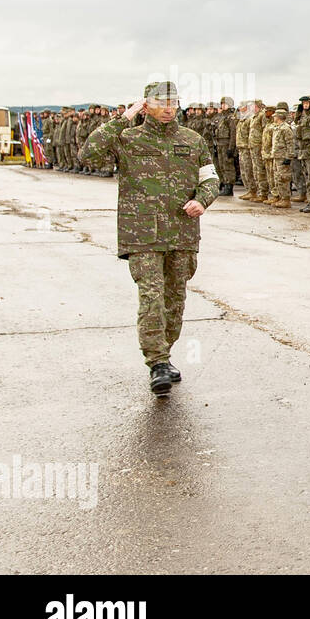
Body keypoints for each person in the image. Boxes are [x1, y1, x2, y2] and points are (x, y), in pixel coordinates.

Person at [79, 81, 220, 395]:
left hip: (182, 233)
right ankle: (157, 362)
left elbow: (210, 177)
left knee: (175, 301)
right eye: (161, 102)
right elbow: (89, 154)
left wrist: (203, 200)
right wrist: (125, 117)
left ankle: (165, 354)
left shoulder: (192, 140)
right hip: (142, 233)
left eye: (174, 102)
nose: (169, 108)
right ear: (147, 105)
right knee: (152, 299)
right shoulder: (128, 138)